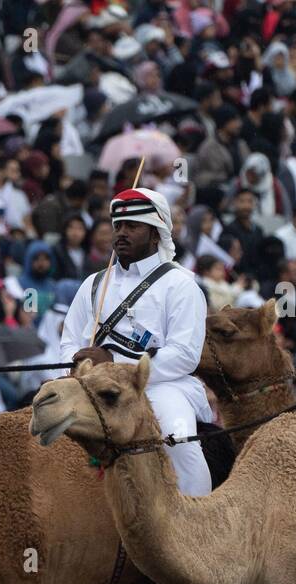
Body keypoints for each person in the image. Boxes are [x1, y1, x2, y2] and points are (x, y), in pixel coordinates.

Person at [58, 186, 213, 496]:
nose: (122, 234)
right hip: (92, 385)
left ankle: (198, 522)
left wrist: (116, 364)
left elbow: (184, 356)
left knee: (178, 440)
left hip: (162, 386)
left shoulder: (181, 284)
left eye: (133, 226)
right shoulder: (94, 283)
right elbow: (69, 340)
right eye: (118, 226)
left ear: (155, 234)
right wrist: (76, 367)